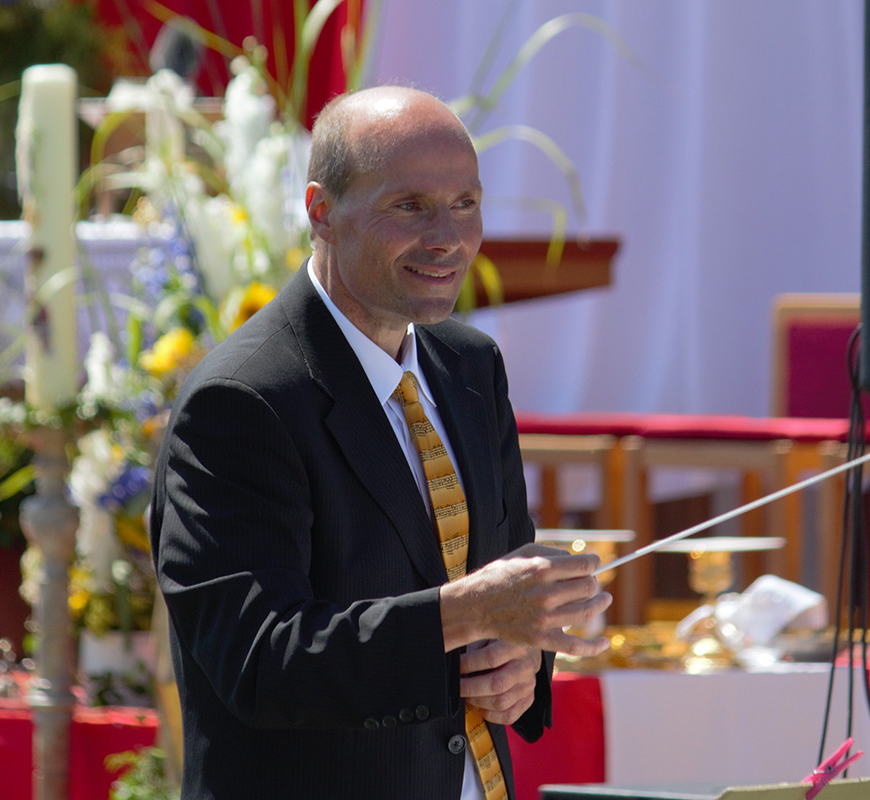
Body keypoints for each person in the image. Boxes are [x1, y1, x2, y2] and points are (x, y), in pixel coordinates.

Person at [149, 85, 611, 800]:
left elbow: (501, 585)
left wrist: (523, 658)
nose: (448, 237)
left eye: (466, 203)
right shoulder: (242, 402)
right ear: (320, 211)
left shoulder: (470, 368)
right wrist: (472, 612)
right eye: (410, 206)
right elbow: (261, 660)